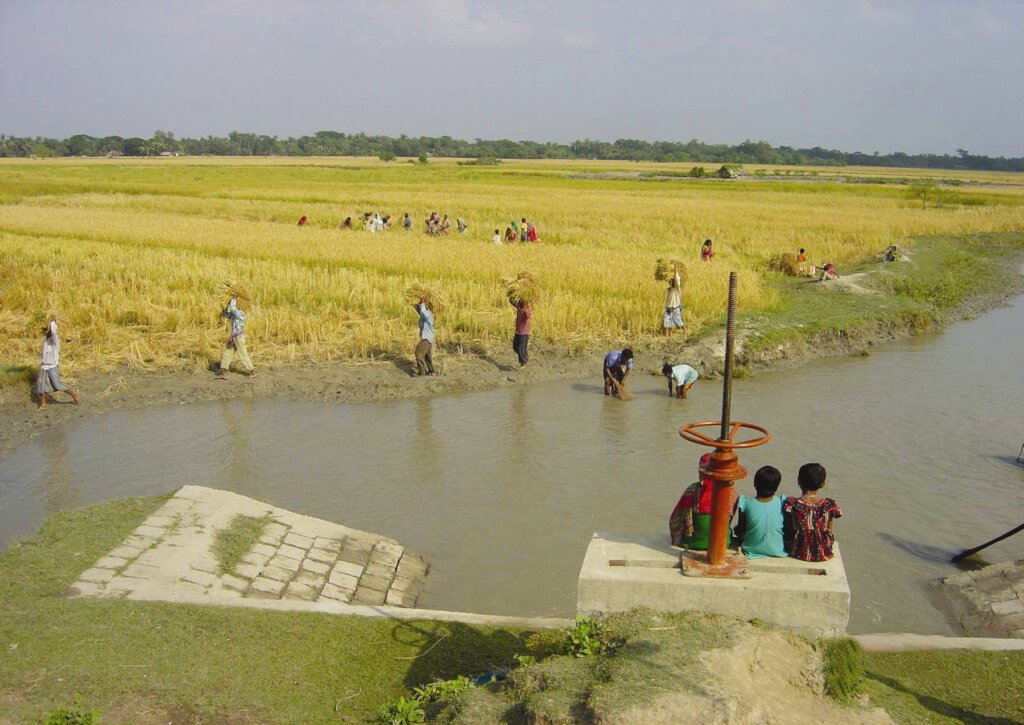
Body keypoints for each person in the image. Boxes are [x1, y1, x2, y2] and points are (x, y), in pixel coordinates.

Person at [669, 453, 739, 550]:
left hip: (694, 543)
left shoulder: (692, 490)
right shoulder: (732, 492)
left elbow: (675, 519)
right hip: (722, 544)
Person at [783, 463, 842, 562]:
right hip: (822, 552)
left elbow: (789, 527)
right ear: (823, 484)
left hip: (797, 551)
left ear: (798, 481)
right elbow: (829, 529)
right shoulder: (828, 505)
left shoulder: (791, 504)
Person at [733, 466, 787, 559]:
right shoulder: (782, 502)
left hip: (751, 549)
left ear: (754, 483)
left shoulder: (745, 503)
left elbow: (740, 529)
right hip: (778, 550)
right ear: (777, 487)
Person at [35, 315, 80, 411]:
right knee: (40, 385)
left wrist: (51, 320)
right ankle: (43, 405)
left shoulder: (55, 340)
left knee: (57, 386)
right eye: (44, 331)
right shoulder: (45, 341)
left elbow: (53, 331)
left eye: (46, 331)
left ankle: (73, 393)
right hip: (43, 366)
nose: (45, 332)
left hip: (52, 366)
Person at [216, 293, 255, 379]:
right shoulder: (234, 314)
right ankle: (224, 371)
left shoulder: (240, 314)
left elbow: (233, 309)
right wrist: (225, 305)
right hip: (234, 338)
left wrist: (233, 298)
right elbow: (225, 314)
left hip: (239, 338)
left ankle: (252, 371)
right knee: (227, 353)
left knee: (243, 355)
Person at [414, 298, 436, 376]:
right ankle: (431, 371)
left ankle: (422, 372)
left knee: (418, 353)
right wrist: (416, 304)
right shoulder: (424, 316)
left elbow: (423, 311)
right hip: (427, 338)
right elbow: (420, 311)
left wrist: (422, 303)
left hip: (426, 339)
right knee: (427, 356)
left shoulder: (428, 314)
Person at [662, 265, 683, 335]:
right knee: (666, 323)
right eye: (669, 281)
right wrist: (667, 307)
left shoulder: (677, 289)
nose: (670, 282)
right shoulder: (668, 290)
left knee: (679, 322)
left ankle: (685, 332)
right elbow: (666, 300)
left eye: (671, 281)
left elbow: (677, 280)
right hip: (668, 308)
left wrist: (675, 271)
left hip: (675, 308)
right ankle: (667, 337)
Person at [511, 299, 531, 366]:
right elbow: (511, 300)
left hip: (524, 332)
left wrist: (523, 310)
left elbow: (528, 315)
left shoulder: (526, 308)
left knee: (521, 348)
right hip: (518, 330)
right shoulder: (519, 306)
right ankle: (525, 356)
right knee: (515, 346)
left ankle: (523, 363)